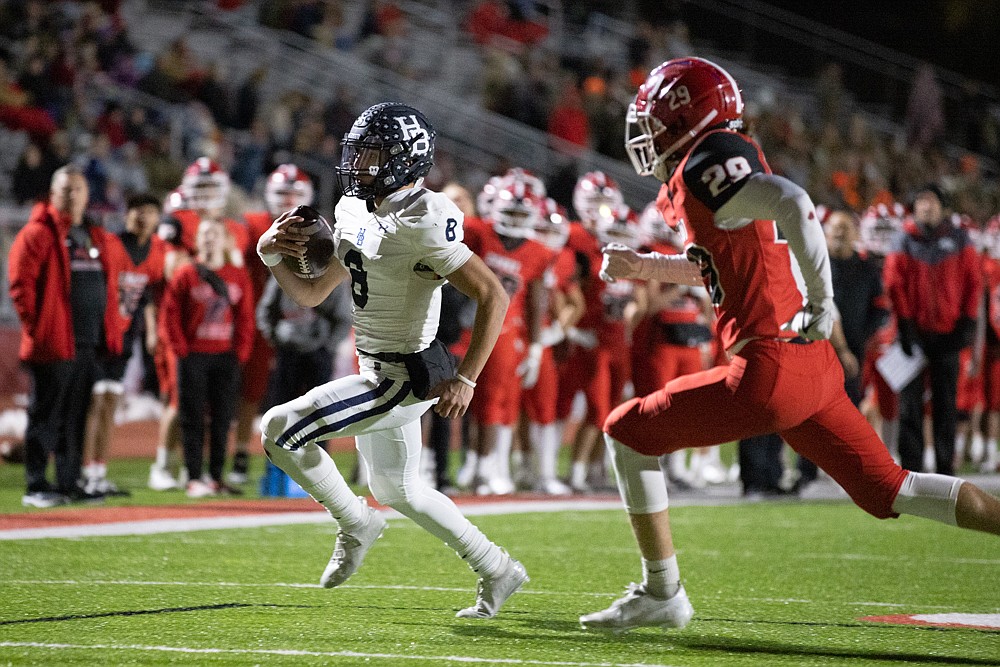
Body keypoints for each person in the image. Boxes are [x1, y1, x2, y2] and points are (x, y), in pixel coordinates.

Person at [581, 57, 1000, 633]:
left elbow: (794, 202)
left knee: (626, 433)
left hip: (768, 366)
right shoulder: (713, 166)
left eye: (656, 118)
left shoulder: (710, 158)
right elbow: (721, 265)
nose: (648, 132)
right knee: (893, 488)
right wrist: (642, 265)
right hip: (810, 367)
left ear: (688, 116)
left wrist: (823, 302)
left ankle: (663, 592)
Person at [256, 102, 528, 618]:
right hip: (371, 368)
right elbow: (313, 293)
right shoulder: (355, 209)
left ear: (406, 159)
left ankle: (355, 521)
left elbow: (494, 294)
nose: (358, 165)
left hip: (402, 378)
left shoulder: (426, 219)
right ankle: (498, 568)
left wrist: (468, 377)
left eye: (372, 154)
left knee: (279, 428)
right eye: (355, 153)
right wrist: (270, 253)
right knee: (398, 489)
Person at [8, 164, 131, 507]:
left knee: (76, 416)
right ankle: (35, 484)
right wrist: (39, 329)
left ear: (86, 194)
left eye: (77, 188)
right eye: (64, 189)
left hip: (88, 341)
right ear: (52, 193)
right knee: (45, 414)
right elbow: (20, 286)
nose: (71, 194)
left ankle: (68, 481)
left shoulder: (94, 236)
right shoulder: (37, 234)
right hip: (54, 343)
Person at [160, 218, 255, 498]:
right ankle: (192, 476)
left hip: (225, 356)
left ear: (226, 240)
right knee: (192, 418)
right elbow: (170, 315)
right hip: (194, 356)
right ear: (197, 241)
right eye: (204, 235)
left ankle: (215, 477)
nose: (209, 239)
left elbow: (246, 317)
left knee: (223, 419)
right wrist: (181, 350)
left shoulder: (238, 275)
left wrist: (240, 352)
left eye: (215, 234)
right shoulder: (186, 274)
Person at [81, 192, 167, 496]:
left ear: (158, 218)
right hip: (97, 335)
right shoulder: (111, 244)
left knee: (110, 403)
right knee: (92, 404)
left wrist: (153, 331)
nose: (142, 217)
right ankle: (81, 473)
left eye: (148, 211)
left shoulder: (157, 252)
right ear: (126, 215)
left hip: (125, 337)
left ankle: (98, 471)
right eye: (136, 210)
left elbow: (149, 296)